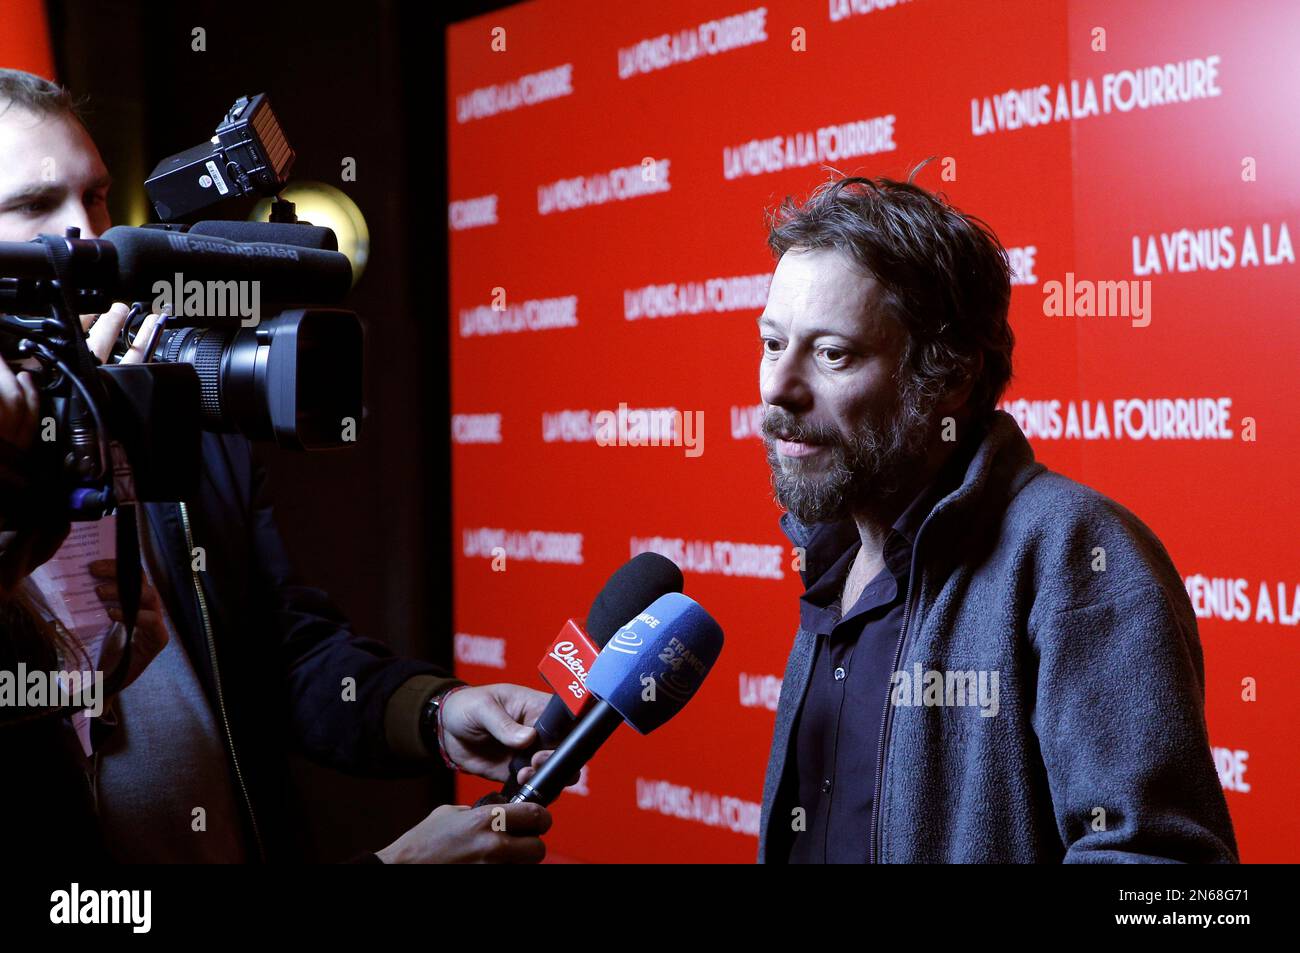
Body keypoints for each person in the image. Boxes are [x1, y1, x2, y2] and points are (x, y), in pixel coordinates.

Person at [0, 68, 555, 864]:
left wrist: (433, 713)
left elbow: (280, 648)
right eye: (33, 206)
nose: (84, 233)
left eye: (95, 197)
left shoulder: (178, 406)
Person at [754, 169, 1238, 863]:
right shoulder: (833, 554)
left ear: (948, 376)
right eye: (772, 343)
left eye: (833, 353)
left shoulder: (1076, 554)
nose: (778, 386)